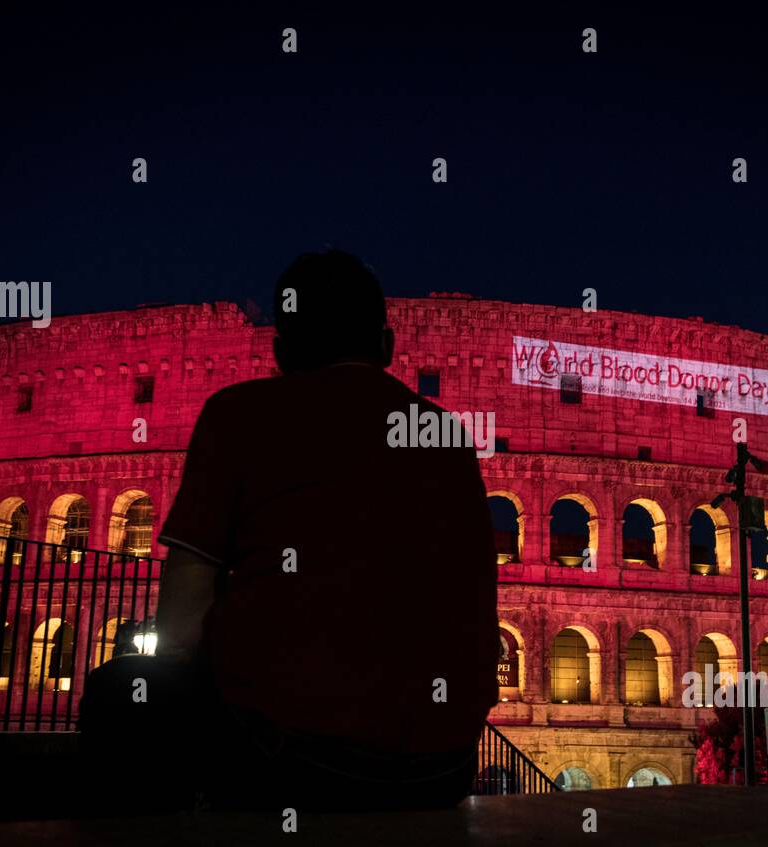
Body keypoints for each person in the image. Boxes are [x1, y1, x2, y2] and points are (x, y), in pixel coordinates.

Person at [80, 250, 499, 812]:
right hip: (443, 769)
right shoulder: (446, 434)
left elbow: (179, 627)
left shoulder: (240, 414)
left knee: (120, 694)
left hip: (297, 762)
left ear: (279, 349)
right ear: (386, 347)